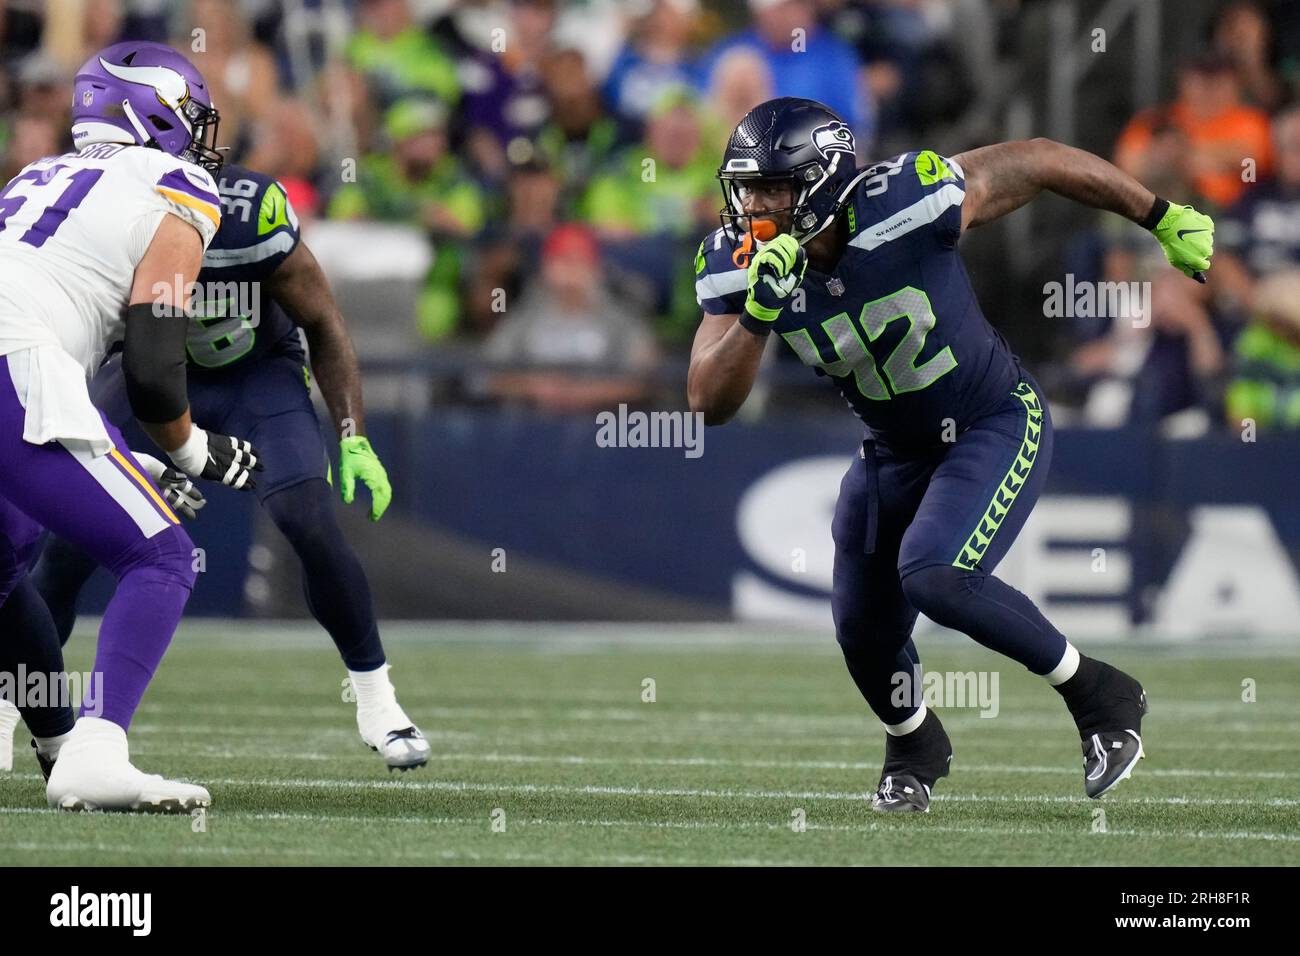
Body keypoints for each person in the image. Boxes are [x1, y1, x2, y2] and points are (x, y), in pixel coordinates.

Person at [688, 98, 1215, 811]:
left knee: (934, 573)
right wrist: (759, 314)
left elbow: (1039, 159)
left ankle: (1100, 693)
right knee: (861, 629)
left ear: (819, 183)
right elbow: (707, 402)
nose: (751, 205)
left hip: (990, 420)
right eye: (745, 187)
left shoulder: (906, 200)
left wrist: (1157, 215)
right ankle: (914, 743)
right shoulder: (738, 263)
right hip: (892, 450)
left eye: (771, 188)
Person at [28, 159, 429, 774]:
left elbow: (322, 319)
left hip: (254, 376)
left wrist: (352, 436)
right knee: (69, 541)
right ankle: (11, 711)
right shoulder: (119, 214)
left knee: (306, 515)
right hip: (146, 377)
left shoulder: (249, 217)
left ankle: (378, 699)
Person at [0, 41, 261, 811]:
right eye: (190, 114)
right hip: (13, 362)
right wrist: (190, 447)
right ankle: (98, 743)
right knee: (162, 556)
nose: (201, 134)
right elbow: (152, 364)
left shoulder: (36, 174)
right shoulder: (177, 184)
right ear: (151, 110)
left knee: (6, 567)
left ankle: (55, 747)